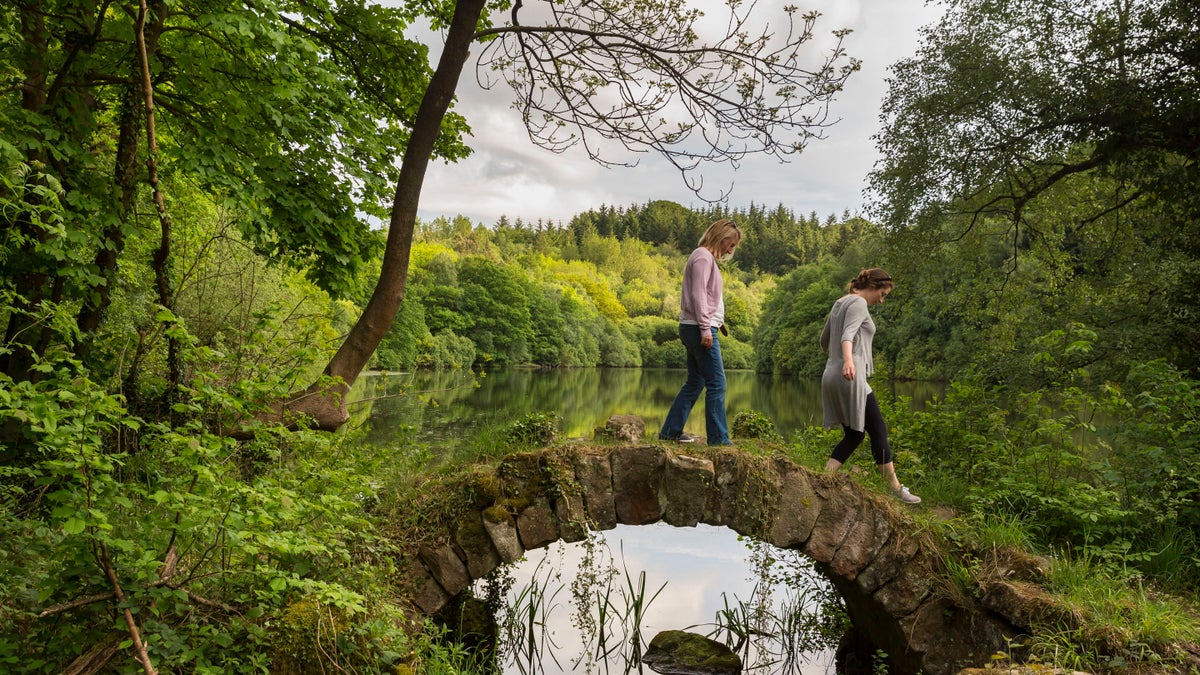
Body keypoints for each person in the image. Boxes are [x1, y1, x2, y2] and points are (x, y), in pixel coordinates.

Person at [820, 268, 921, 504]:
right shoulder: (858, 303)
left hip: (831, 373)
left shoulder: (840, 302)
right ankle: (895, 489)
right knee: (878, 429)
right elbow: (848, 335)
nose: (882, 300)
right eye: (883, 293)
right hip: (850, 374)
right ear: (874, 287)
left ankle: (825, 477)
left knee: (855, 435)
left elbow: (824, 341)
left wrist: (838, 359)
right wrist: (848, 360)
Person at [658, 218, 742, 445]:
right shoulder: (703, 257)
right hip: (699, 329)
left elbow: (706, 296)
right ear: (722, 238)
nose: (730, 250)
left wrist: (714, 322)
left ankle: (670, 432)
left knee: (696, 381)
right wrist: (706, 328)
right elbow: (698, 295)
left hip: (694, 327)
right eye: (730, 244)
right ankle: (719, 440)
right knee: (717, 383)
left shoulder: (703, 257)